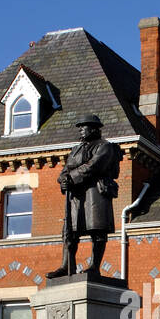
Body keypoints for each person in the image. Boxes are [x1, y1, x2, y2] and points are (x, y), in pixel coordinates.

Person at [47, 114, 120, 279]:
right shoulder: (76, 149)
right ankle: (67, 265)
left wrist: (71, 178)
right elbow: (65, 170)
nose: (80, 130)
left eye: (83, 127)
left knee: (97, 230)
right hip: (76, 195)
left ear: (94, 128)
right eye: (79, 127)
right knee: (69, 231)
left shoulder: (104, 147)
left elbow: (93, 166)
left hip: (95, 192)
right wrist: (63, 180)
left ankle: (95, 266)